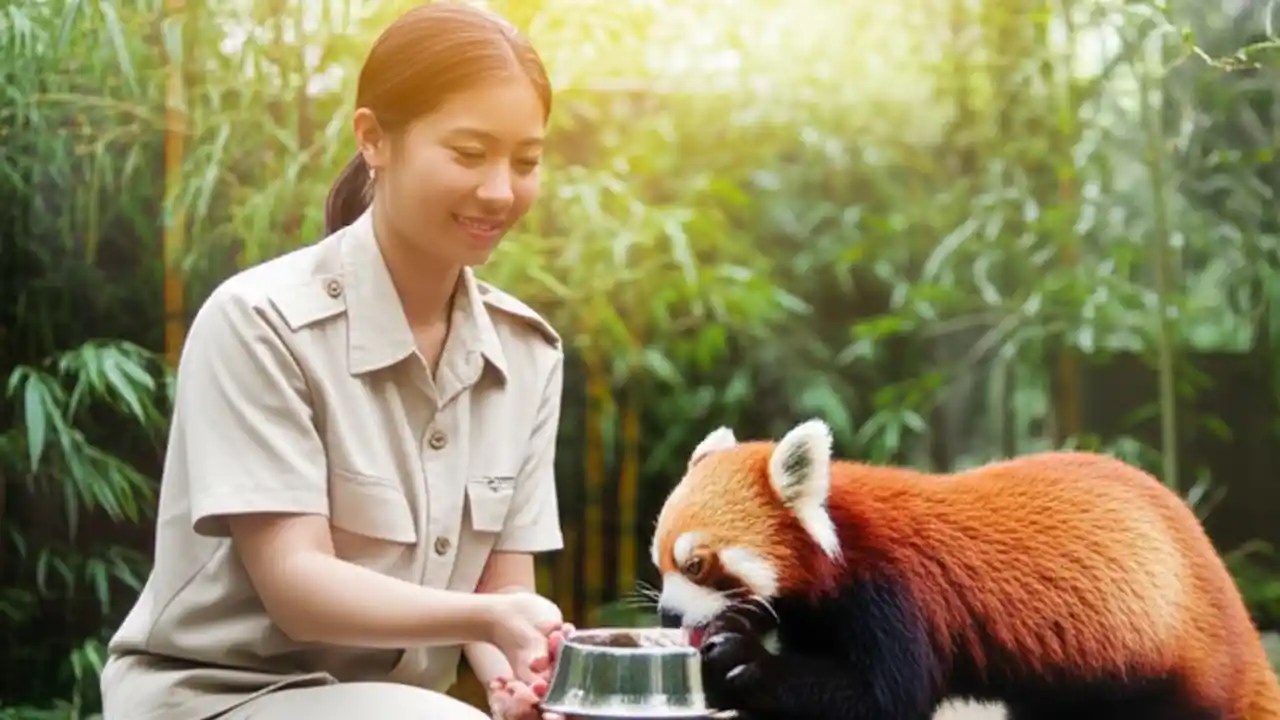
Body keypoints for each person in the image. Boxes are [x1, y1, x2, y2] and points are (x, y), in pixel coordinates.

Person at [100, 3, 575, 718]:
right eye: (470, 154)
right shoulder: (258, 324)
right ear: (374, 138)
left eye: (526, 161)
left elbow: (502, 592)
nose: (501, 190)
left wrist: (518, 671)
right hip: (217, 695)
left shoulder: (527, 353)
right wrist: (482, 623)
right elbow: (297, 588)